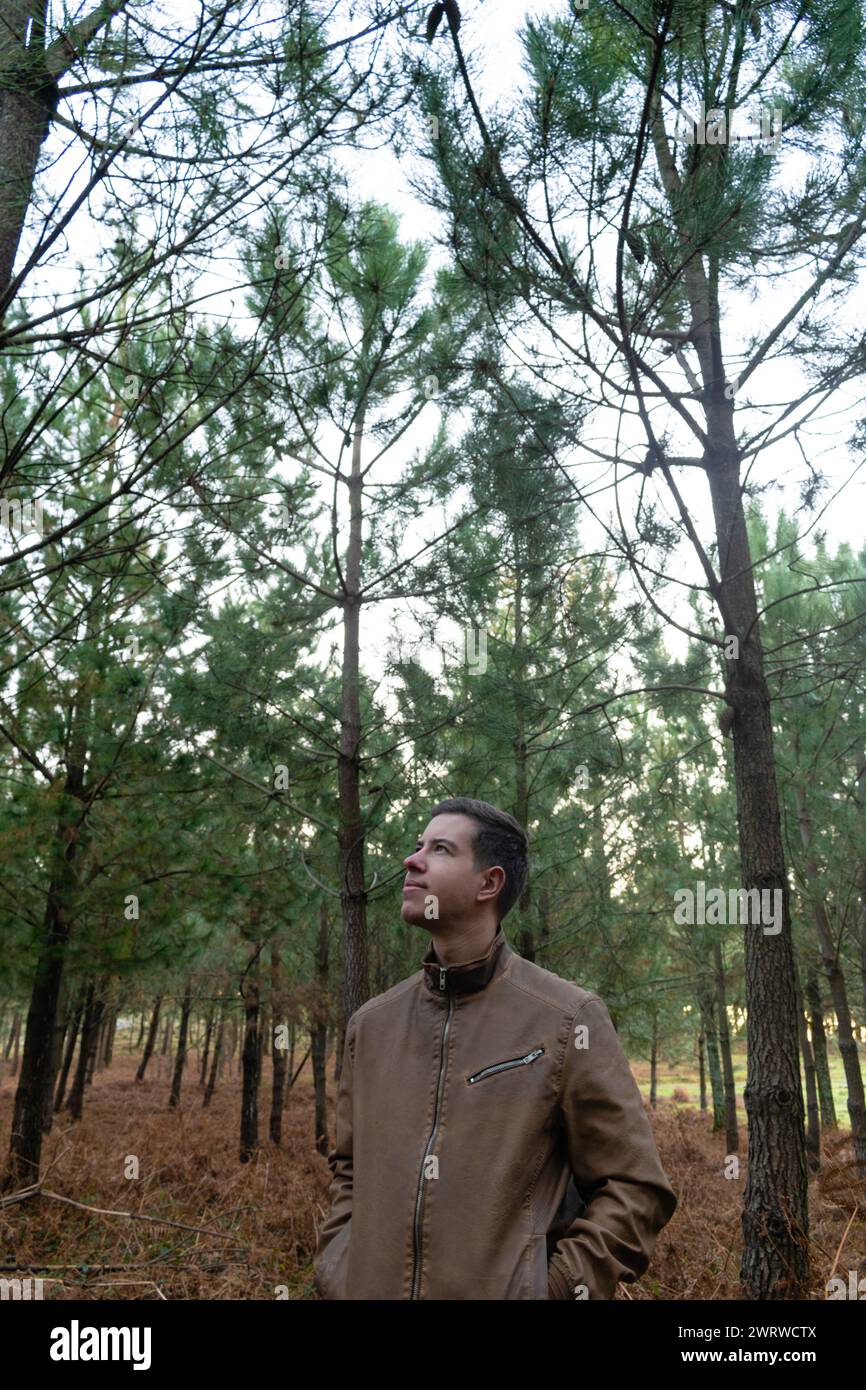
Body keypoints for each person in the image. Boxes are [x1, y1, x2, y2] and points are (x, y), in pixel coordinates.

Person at [313, 796, 677, 1300]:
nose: (411, 859)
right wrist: (339, 1268)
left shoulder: (566, 1019)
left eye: (440, 849)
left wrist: (551, 1289)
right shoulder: (372, 1025)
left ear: (490, 883)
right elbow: (349, 1170)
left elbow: (634, 1188)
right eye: (418, 845)